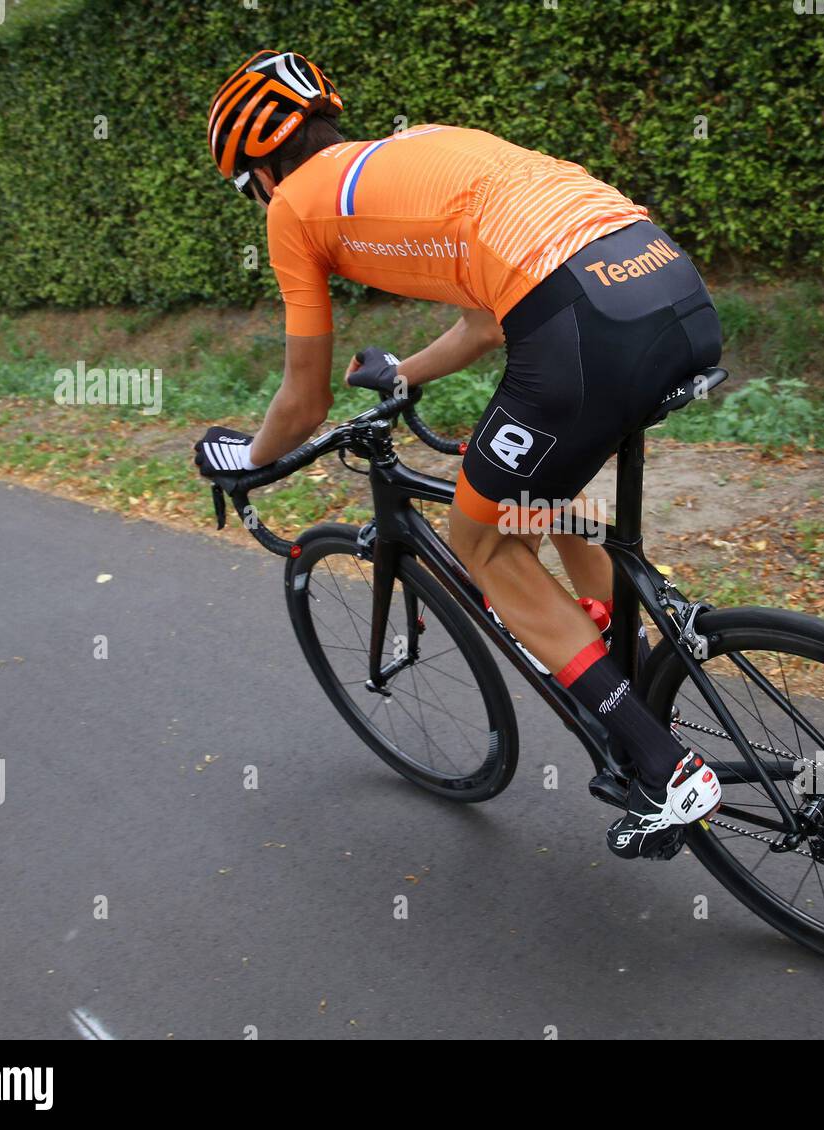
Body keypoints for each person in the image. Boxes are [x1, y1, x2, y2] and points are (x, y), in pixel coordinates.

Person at [196, 51, 723, 858]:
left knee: (484, 542)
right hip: (668, 286)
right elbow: (485, 322)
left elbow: (304, 401)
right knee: (533, 485)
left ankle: (667, 767)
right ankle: (646, 677)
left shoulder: (293, 208)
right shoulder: (420, 148)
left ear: (260, 170)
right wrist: (403, 373)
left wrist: (247, 458)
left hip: (580, 326)